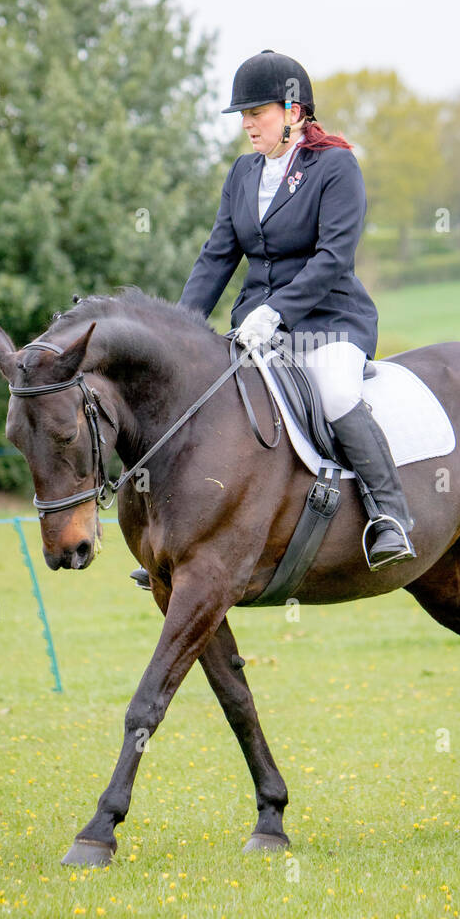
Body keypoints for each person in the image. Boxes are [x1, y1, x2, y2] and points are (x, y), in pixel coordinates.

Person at [178, 49, 415, 568]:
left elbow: (334, 257)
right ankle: (187, 537)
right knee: (207, 397)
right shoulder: (243, 173)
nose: (247, 125)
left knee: (335, 393)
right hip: (256, 329)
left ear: (293, 111)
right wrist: (178, 326)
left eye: (256, 113)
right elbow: (217, 257)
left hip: (329, 324)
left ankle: (389, 515)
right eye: (243, 115)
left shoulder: (335, 166)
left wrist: (277, 311)